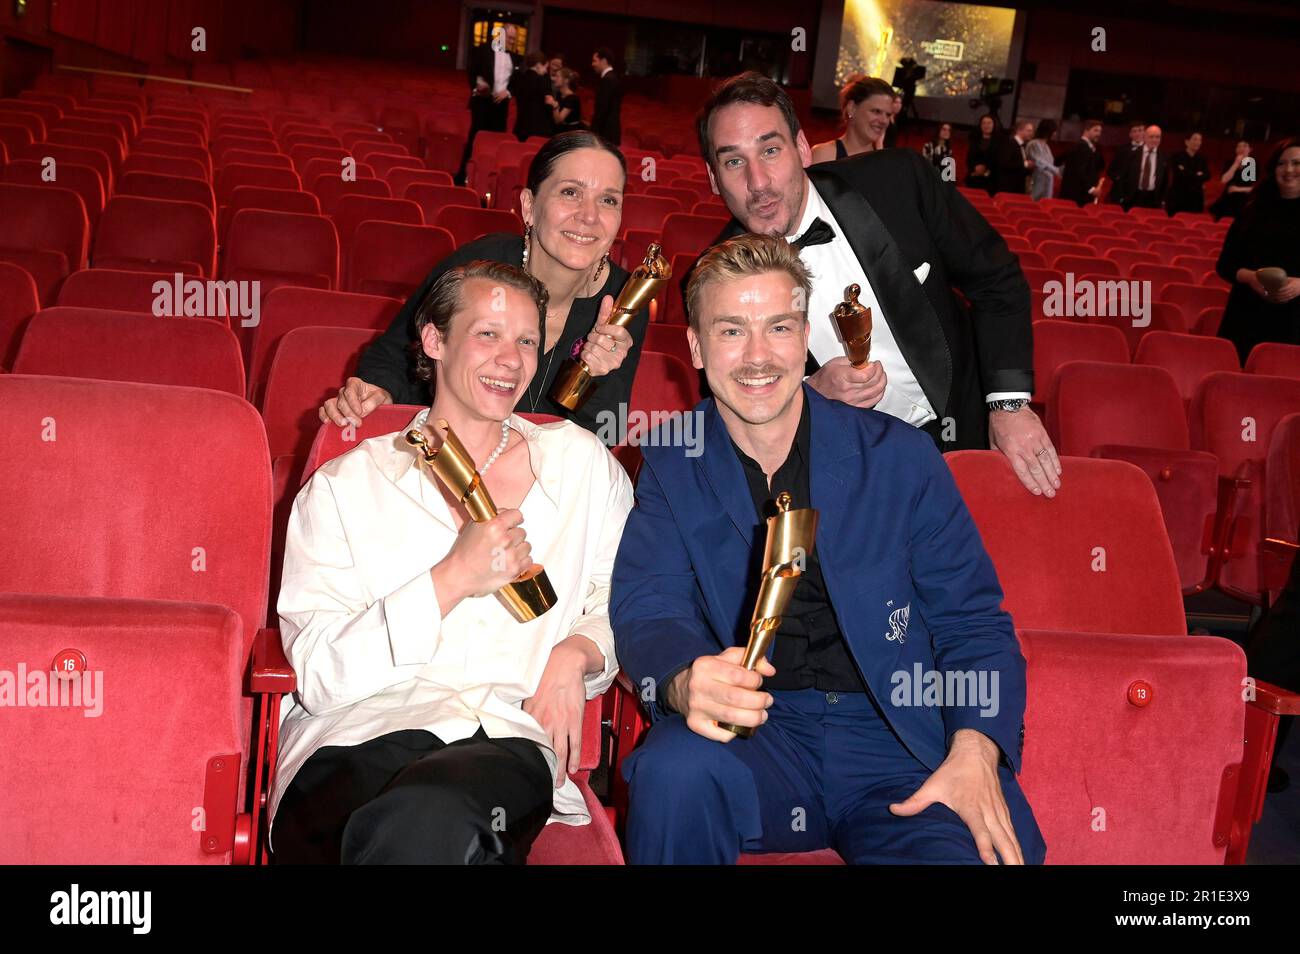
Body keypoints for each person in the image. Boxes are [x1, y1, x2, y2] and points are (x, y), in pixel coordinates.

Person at [611, 234, 1046, 865]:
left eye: (779, 327)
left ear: (806, 334)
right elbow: (651, 610)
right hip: (757, 734)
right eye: (731, 331)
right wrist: (682, 682)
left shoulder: (900, 457)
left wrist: (976, 749)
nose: (758, 357)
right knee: (672, 773)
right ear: (696, 348)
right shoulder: (672, 459)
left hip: (899, 739)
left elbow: (972, 622)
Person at [271, 259, 633, 864]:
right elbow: (318, 675)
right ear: (435, 340)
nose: (511, 360)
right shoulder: (345, 484)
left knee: (433, 820)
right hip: (352, 736)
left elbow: (619, 602)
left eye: (526, 341)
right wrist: (451, 580)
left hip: (496, 738)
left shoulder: (581, 466)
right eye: (488, 334)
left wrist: (577, 655)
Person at [694, 73, 1060, 496]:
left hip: (972, 429)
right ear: (713, 177)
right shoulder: (712, 281)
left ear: (801, 148)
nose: (758, 183)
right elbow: (732, 417)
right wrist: (807, 397)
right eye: (734, 161)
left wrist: (1009, 407)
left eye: (771, 150)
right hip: (854, 479)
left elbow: (997, 280)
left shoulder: (899, 180)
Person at [320, 131, 650, 442]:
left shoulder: (625, 299)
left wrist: (595, 375)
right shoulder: (477, 267)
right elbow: (394, 357)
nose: (589, 215)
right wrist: (380, 392)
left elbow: (604, 435)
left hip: (543, 477)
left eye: (608, 200)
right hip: (450, 448)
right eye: (570, 192)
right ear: (529, 206)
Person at [1215, 137, 1300, 362]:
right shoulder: (1253, 210)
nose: (1289, 169)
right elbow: (1225, 265)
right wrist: (1251, 277)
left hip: (1294, 321)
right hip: (1247, 315)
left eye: (1296, 163)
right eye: (1282, 163)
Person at [456, 23, 521, 185]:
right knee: (476, 139)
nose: (512, 41)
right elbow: (472, 73)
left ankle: (487, 181)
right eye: (510, 38)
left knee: (496, 143)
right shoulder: (483, 50)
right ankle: (463, 176)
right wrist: (477, 86)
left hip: (501, 106)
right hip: (482, 103)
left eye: (514, 38)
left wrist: (508, 92)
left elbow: (516, 82)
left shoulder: (515, 57)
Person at [810, 76, 894, 164]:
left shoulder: (885, 162)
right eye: (876, 111)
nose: (884, 120)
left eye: (888, 115)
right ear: (852, 108)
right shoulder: (824, 155)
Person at [1058, 119, 1105, 206]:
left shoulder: (1092, 148)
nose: (1098, 134)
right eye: (1095, 130)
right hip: (1077, 195)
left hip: (1081, 194)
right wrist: (1091, 189)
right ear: (1086, 130)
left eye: (1100, 131)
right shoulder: (1081, 147)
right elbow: (1080, 171)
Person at [512, 51, 554, 141]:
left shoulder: (520, 79)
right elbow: (548, 106)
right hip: (538, 130)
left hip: (520, 128)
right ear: (538, 65)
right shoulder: (542, 81)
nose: (546, 71)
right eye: (545, 67)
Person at [1211, 140, 1256, 220]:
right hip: (1228, 199)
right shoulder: (1230, 163)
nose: (1241, 148)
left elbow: (1253, 188)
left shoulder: (1252, 165)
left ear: (1250, 149)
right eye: (1239, 146)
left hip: (1243, 200)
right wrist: (1236, 163)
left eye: (1245, 146)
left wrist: (1237, 189)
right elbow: (1224, 180)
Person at [1126, 124, 1168, 210]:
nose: (1154, 140)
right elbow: (1124, 176)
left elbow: (1165, 181)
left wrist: (1162, 199)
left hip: (1153, 199)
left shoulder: (1164, 157)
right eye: (1151, 137)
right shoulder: (1132, 154)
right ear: (1144, 137)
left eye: (1157, 137)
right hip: (1133, 196)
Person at [1167, 131, 1209, 215]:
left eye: (1200, 140)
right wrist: (1197, 175)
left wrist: (1186, 171)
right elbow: (1179, 173)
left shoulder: (1202, 159)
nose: (1198, 142)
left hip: (1196, 198)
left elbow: (1207, 176)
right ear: (1186, 142)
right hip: (1178, 196)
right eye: (1195, 139)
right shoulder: (1176, 156)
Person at [1106, 120, 1147, 207]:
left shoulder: (1149, 152)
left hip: (1139, 195)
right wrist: (1119, 179)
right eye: (1134, 131)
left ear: (1145, 133)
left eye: (1140, 130)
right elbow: (1111, 170)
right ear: (1130, 134)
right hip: (1120, 192)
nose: (1138, 134)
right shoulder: (1122, 150)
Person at [992, 119, 1036, 195]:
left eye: (1032, 131)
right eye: (1029, 131)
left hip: (1017, 188)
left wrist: (1029, 168)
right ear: (1019, 130)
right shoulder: (1009, 144)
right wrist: (1025, 164)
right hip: (1007, 188)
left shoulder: (1023, 146)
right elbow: (1004, 163)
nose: (1032, 133)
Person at [591, 47, 622, 145]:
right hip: (609, 132)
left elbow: (602, 109)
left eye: (595, 61)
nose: (592, 64)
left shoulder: (608, 79)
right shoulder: (613, 77)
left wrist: (593, 132)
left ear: (603, 61)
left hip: (605, 133)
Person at [1026, 119, 1060, 201]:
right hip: (1036, 180)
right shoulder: (1033, 143)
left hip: (1047, 181)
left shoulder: (1046, 146)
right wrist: (1056, 170)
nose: (1055, 133)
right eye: (1054, 131)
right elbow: (1039, 162)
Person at [965, 114, 999, 195]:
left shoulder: (999, 142)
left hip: (991, 181)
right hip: (974, 178)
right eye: (983, 123)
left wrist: (985, 170)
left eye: (989, 123)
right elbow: (969, 159)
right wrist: (975, 168)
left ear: (994, 125)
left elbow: (998, 161)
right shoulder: (974, 140)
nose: (986, 125)